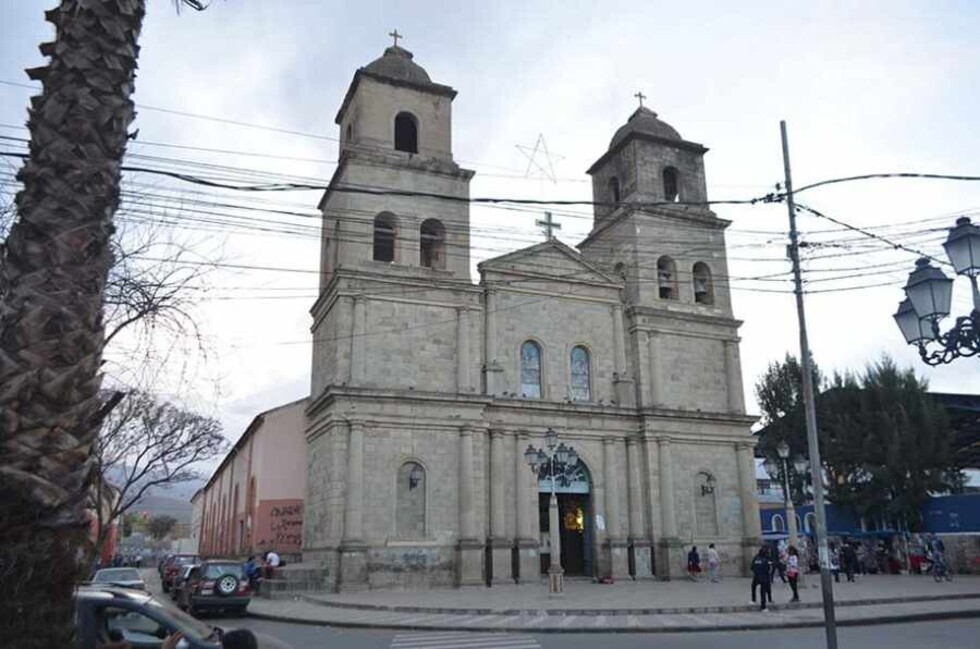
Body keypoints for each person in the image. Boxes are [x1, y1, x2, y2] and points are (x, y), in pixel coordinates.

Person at [751, 546, 773, 611]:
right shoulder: (765, 560)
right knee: (763, 592)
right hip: (764, 577)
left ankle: (753, 600)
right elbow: (768, 569)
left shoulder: (755, 558)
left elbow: (752, 567)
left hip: (756, 576)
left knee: (753, 587)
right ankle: (763, 606)